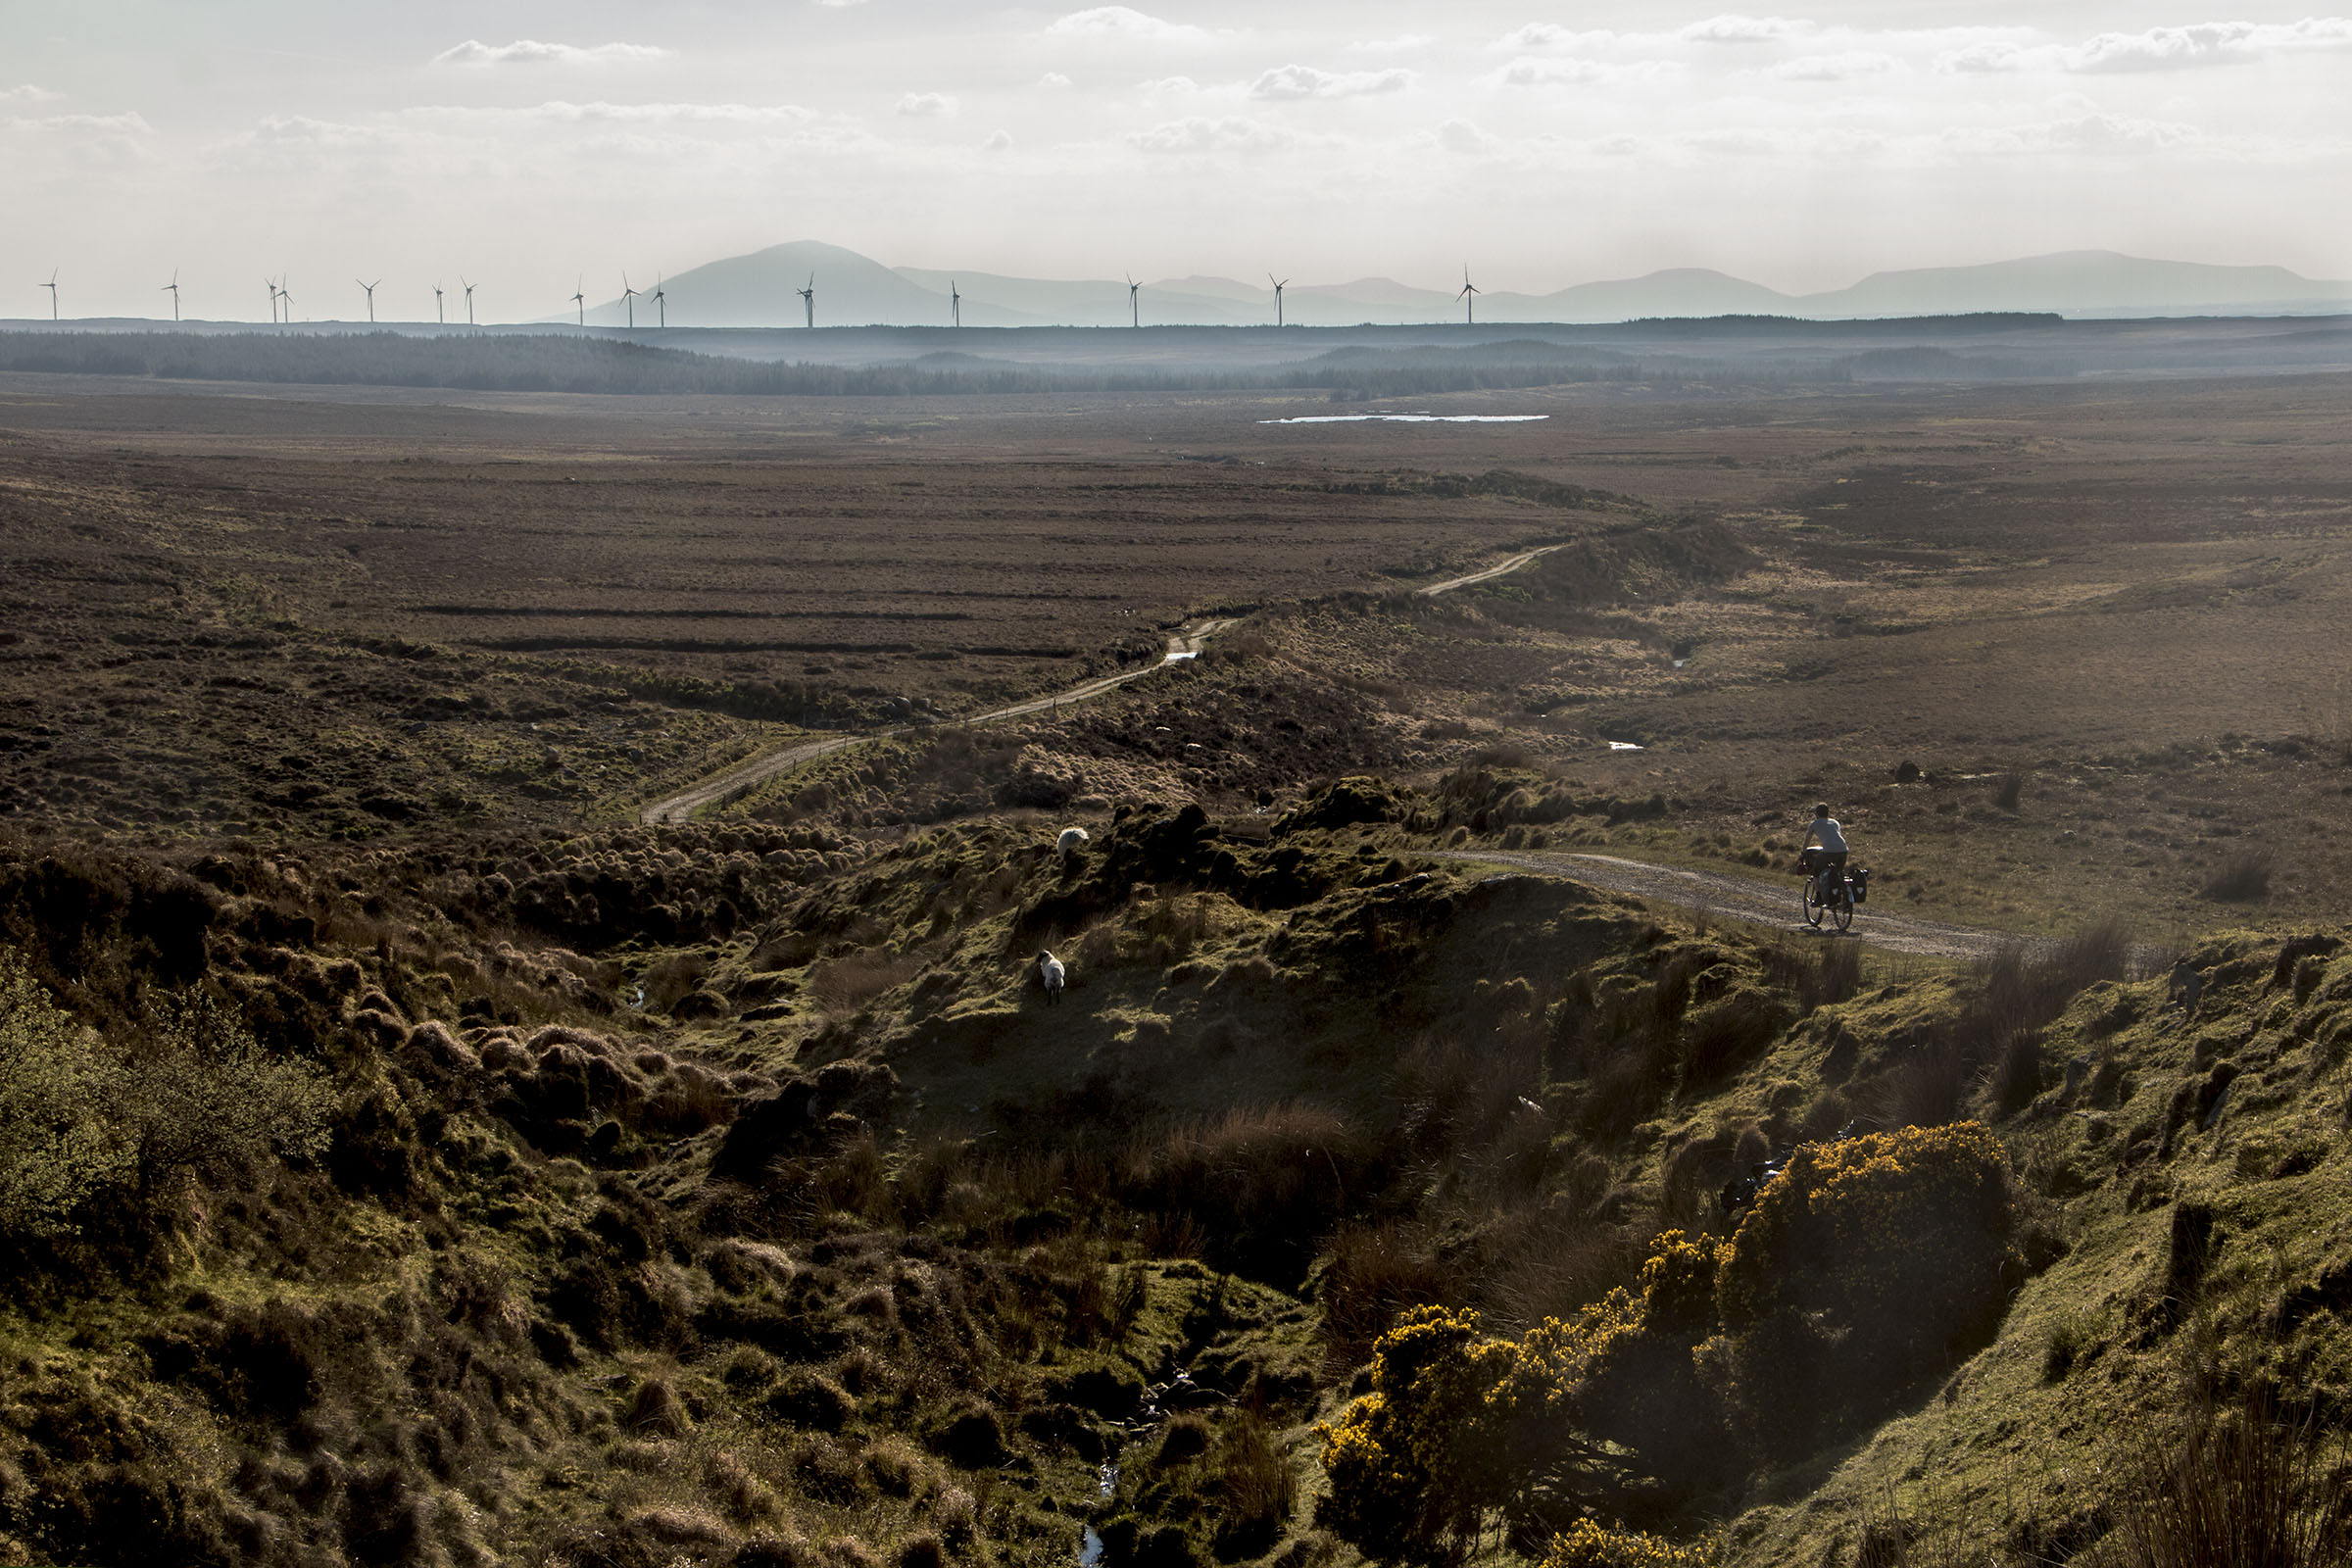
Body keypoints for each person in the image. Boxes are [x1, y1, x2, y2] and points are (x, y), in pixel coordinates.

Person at [1801, 804, 1848, 904]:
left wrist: (1803, 852)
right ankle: (1843, 897)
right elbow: (1834, 837)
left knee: (1816, 872)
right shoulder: (1835, 822)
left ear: (1816, 814)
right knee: (1838, 873)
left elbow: (1807, 839)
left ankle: (1819, 898)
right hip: (1843, 850)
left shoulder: (1815, 824)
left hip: (1828, 852)